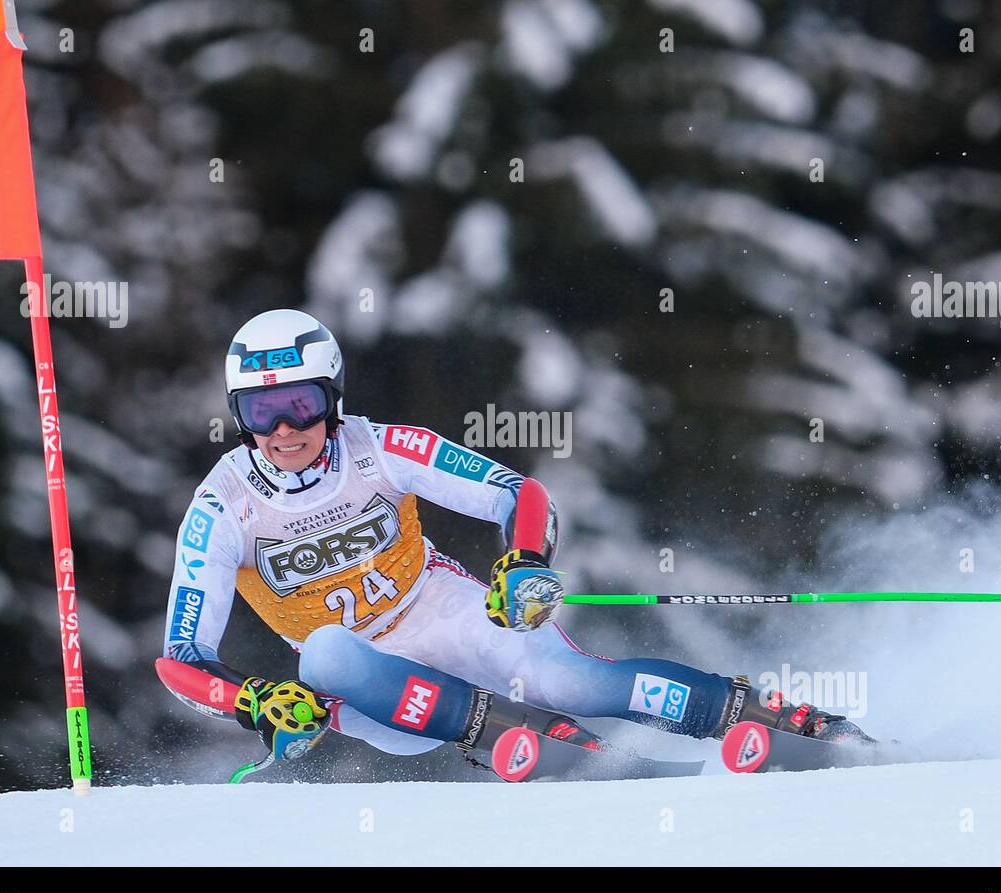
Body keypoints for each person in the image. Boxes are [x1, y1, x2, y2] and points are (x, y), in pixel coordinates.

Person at [158, 308, 866, 767]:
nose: (283, 429)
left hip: (441, 608)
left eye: (300, 404)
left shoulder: (381, 447)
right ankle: (506, 732)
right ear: (239, 413)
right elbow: (181, 658)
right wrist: (250, 701)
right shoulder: (222, 506)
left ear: (332, 399)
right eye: (261, 410)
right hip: (374, 686)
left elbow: (517, 492)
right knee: (323, 655)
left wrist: (524, 562)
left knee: (569, 678)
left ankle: (770, 720)